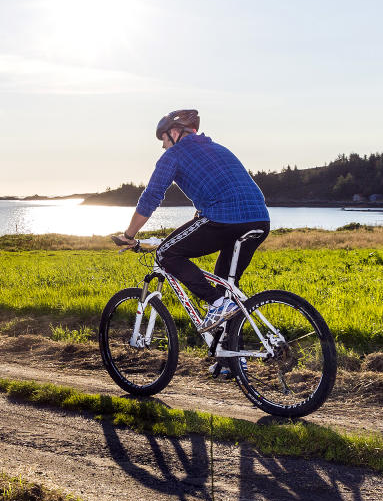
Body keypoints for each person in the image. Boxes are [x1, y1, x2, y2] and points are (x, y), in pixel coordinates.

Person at [114, 109, 270, 335]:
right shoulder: (219, 149)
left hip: (224, 220)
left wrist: (128, 236)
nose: (163, 146)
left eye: (164, 139)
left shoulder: (174, 155)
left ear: (175, 132)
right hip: (259, 220)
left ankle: (218, 302)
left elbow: (151, 196)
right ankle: (231, 360)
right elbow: (223, 188)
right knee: (226, 288)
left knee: (166, 254)